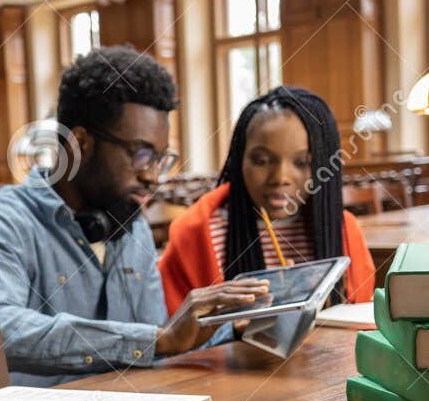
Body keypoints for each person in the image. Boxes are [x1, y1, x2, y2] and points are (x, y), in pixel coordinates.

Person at [0, 46, 268, 387]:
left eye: (161, 159)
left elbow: (159, 342)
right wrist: (156, 340)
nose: (153, 177)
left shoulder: (132, 227)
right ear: (81, 143)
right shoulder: (0, 222)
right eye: (141, 154)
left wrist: (230, 325)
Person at [160, 86, 375, 311]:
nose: (280, 178)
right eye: (262, 160)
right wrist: (231, 328)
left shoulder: (345, 231)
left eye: (302, 163)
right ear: (238, 160)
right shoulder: (194, 234)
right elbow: (175, 334)